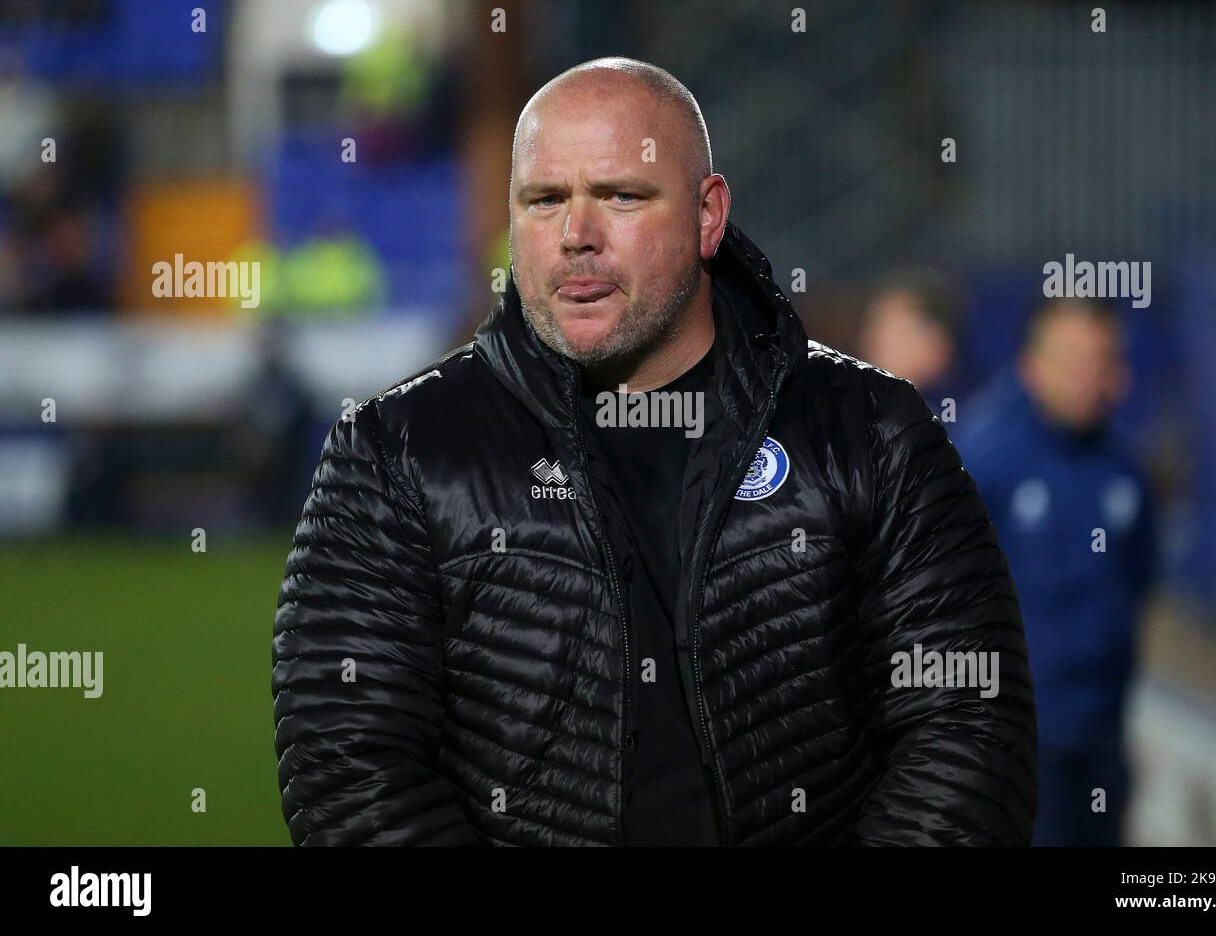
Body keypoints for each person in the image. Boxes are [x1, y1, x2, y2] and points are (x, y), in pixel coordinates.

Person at [271, 57, 1036, 846]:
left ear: (708, 215)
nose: (576, 236)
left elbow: (968, 724)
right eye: (544, 201)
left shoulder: (871, 432)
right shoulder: (395, 452)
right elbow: (347, 765)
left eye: (620, 196)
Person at [953, 294, 1158, 846]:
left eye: (1100, 363)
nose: (1086, 380)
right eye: (1072, 362)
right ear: (1030, 365)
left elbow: (1137, 579)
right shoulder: (983, 458)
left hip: (1101, 731)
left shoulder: (1127, 469)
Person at [855, 267, 968, 417]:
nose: (869, 341)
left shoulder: (965, 414)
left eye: (892, 331)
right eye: (871, 326)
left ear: (936, 341)